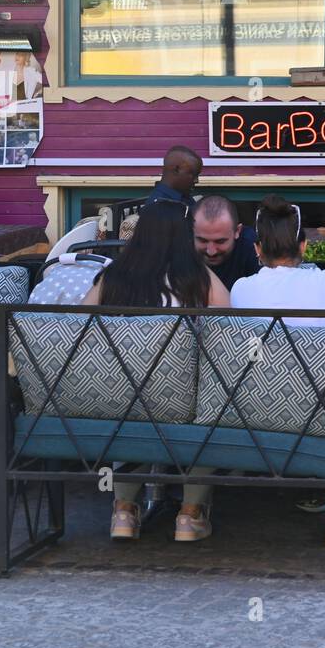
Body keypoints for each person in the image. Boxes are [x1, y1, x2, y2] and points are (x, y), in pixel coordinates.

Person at [83, 199, 229, 543]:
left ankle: (123, 511)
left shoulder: (114, 277)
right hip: (184, 407)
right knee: (214, 409)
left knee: (131, 405)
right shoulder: (196, 277)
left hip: (121, 403)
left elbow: (79, 323)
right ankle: (189, 515)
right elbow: (228, 320)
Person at [229, 195, 325, 547]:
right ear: (303, 244)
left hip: (251, 410)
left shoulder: (241, 289)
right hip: (320, 413)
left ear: (257, 249)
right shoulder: (323, 283)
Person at [193, 194, 260, 290]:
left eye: (220, 241)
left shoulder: (252, 247)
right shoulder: (179, 247)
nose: (211, 251)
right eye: (202, 241)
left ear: (237, 231)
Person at [144, 145, 201, 210]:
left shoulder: (184, 195)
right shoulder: (158, 207)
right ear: (176, 170)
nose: (196, 180)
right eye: (193, 174)